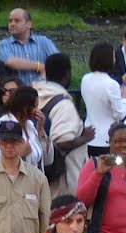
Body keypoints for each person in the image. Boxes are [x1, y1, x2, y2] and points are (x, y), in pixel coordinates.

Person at [39, 55, 95, 197]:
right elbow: (62, 142)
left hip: (39, 176)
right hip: (63, 182)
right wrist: (85, 138)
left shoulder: (35, 95)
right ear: (67, 74)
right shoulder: (64, 105)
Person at [80, 43, 126, 158]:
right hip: (107, 137)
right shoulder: (111, 84)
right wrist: (124, 99)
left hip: (89, 134)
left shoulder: (86, 78)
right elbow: (120, 114)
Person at [0, 7, 59, 86]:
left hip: (44, 90)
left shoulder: (44, 41)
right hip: (18, 94)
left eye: (17, 20)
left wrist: (41, 82)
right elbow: (10, 61)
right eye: (10, 21)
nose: (12, 24)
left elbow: (57, 63)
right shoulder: (4, 44)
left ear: (29, 24)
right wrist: (40, 66)